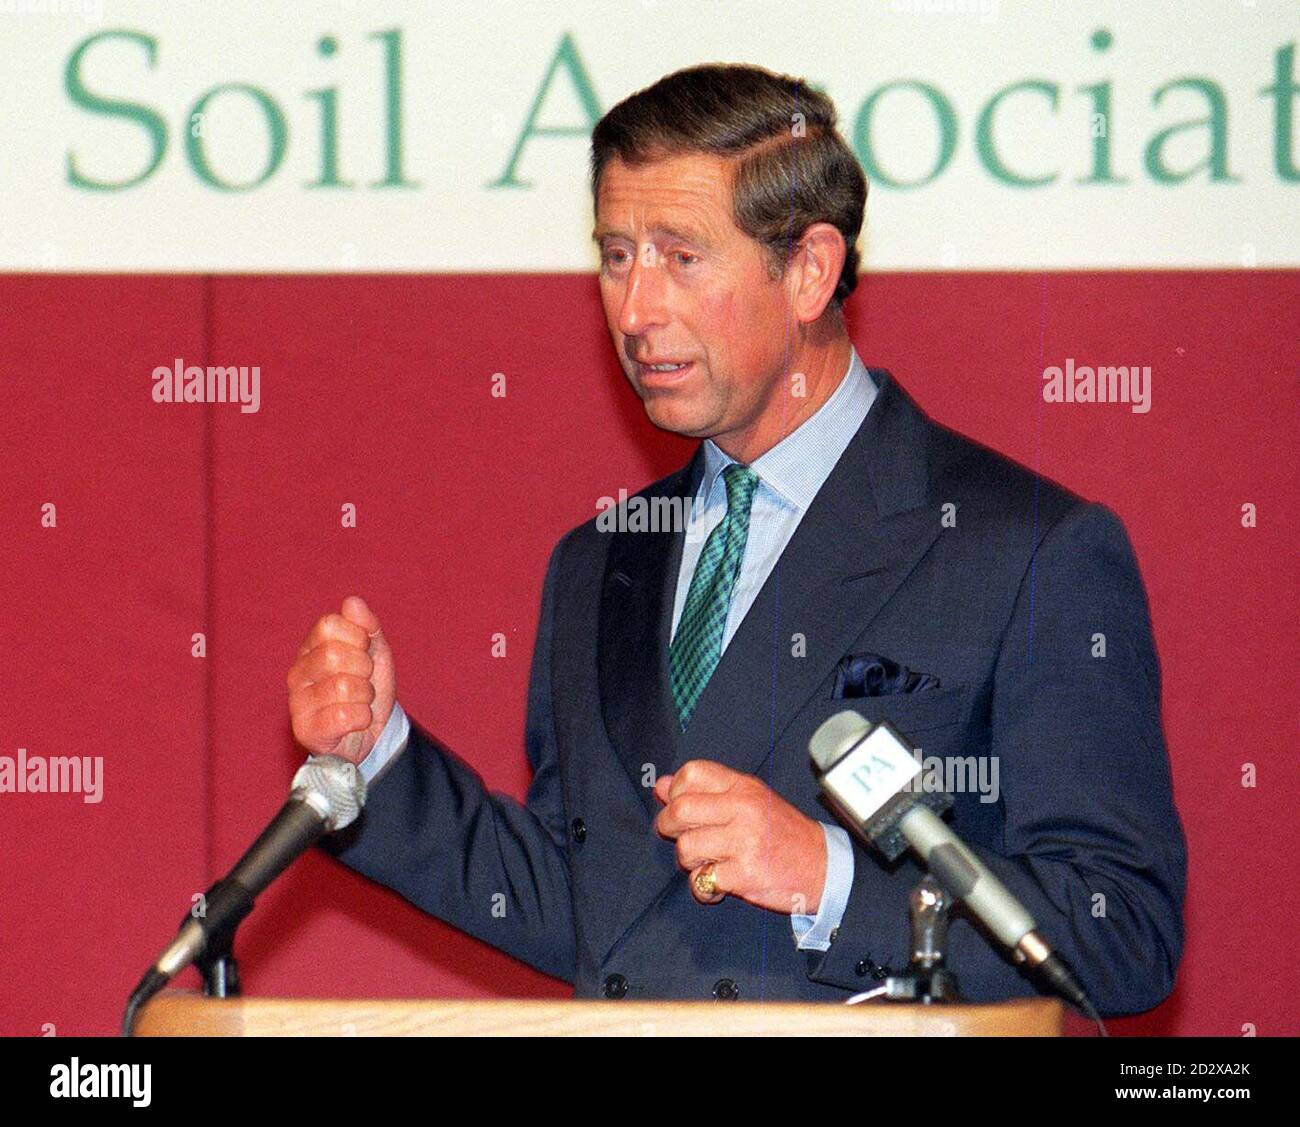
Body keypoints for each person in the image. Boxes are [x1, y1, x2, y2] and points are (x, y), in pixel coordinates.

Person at [287, 63, 1185, 1013]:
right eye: (617, 254)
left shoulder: (1029, 550)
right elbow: (597, 909)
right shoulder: (602, 563)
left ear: (809, 270)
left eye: (681, 256)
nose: (635, 312)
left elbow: (1119, 930)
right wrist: (377, 754)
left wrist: (826, 876)